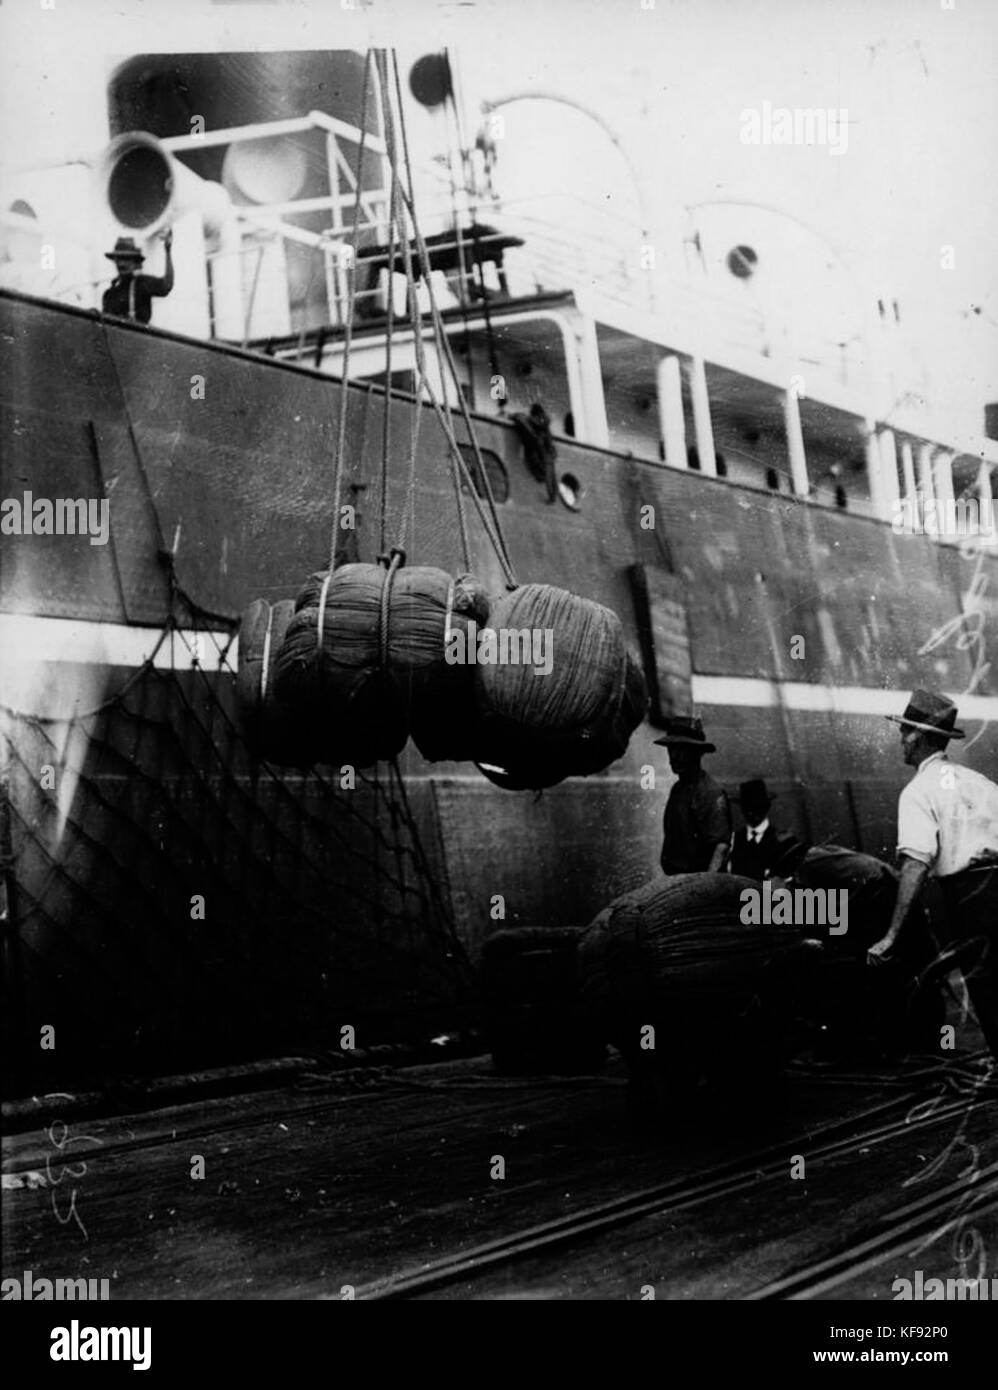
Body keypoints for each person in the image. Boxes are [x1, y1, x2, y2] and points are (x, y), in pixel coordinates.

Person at [868, 689, 998, 1061]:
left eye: (904, 733)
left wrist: (891, 936)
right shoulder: (981, 783)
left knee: (988, 994)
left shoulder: (917, 792)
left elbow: (915, 865)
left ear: (920, 738)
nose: (901, 741)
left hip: (969, 900)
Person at [654, 716, 731, 875]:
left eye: (682, 750)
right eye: (671, 749)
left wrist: (706, 887)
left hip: (699, 885)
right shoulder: (678, 789)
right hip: (676, 881)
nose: (674, 756)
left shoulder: (710, 792)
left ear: (697, 753)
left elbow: (721, 847)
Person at [729, 777, 796, 880]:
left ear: (766, 807)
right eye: (747, 807)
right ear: (742, 809)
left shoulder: (782, 842)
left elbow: (783, 886)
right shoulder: (734, 839)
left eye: (757, 807)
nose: (751, 812)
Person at [101, 230, 174, 325]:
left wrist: (167, 251)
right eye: (119, 259)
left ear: (135, 263)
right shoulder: (109, 294)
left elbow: (167, 285)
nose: (122, 264)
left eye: (126, 259)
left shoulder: (142, 283)